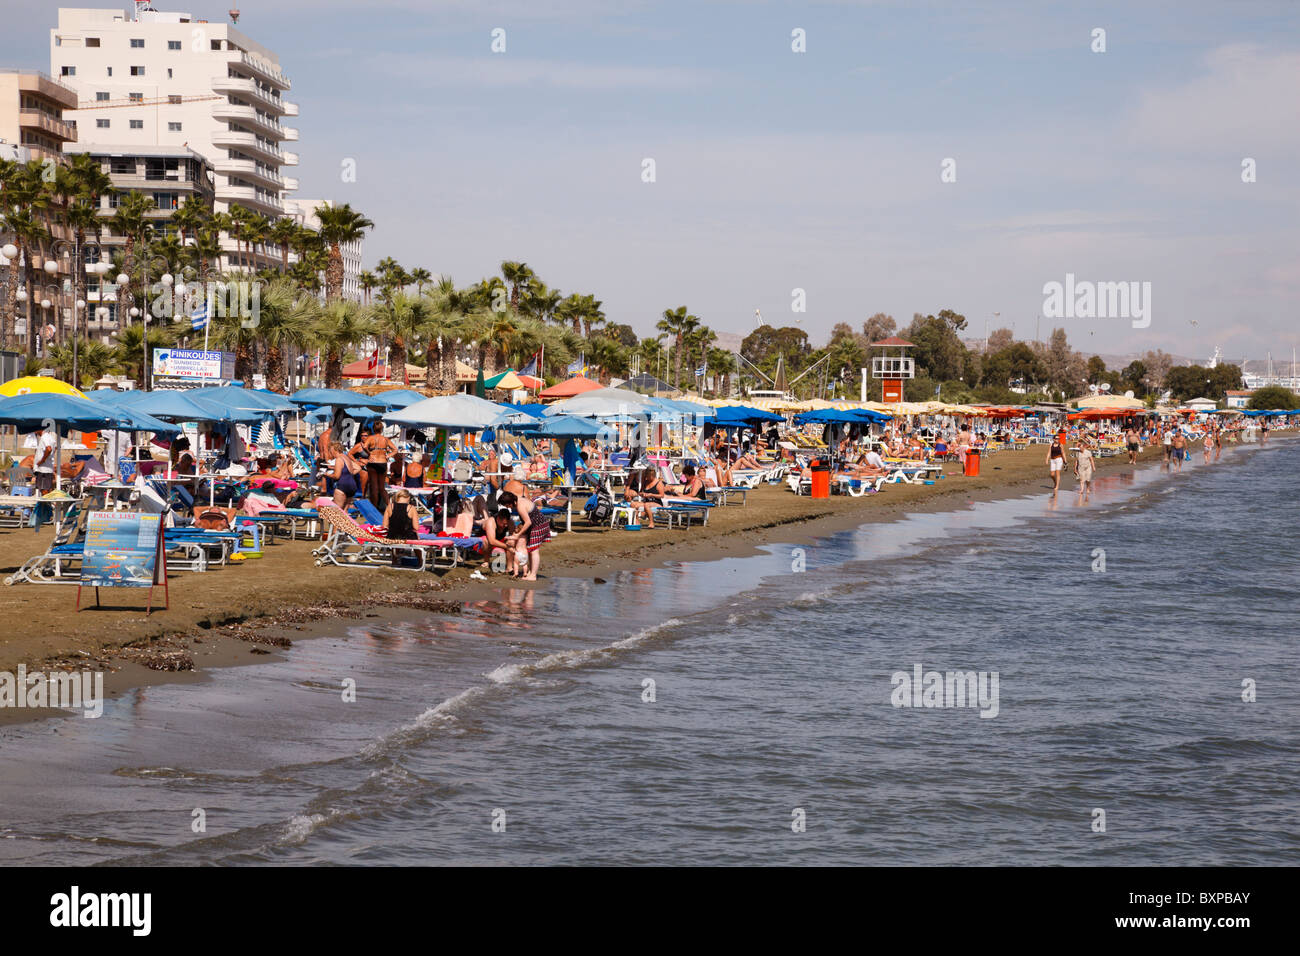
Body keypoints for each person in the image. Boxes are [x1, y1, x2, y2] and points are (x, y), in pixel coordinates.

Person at [497, 490, 548, 581]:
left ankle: (533, 575)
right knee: (531, 549)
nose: (508, 507)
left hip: (538, 525)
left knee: (534, 550)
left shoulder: (520, 506)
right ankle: (531, 572)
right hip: (538, 524)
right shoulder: (519, 499)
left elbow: (528, 522)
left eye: (508, 505)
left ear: (511, 502)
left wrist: (518, 535)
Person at [363, 423, 396, 510]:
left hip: (373, 462)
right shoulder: (385, 439)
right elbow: (395, 450)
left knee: (374, 487)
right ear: (382, 429)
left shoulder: (371, 438)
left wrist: (369, 453)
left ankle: (374, 508)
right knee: (382, 488)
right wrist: (388, 456)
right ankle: (390, 507)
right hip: (382, 462)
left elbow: (365, 446)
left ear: (373, 429)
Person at [331, 444, 363, 509]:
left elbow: (336, 476)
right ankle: (346, 519)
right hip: (352, 485)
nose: (330, 452)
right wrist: (349, 474)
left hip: (342, 485)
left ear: (334, 450)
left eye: (330, 450)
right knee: (345, 511)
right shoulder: (346, 458)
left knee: (337, 511)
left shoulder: (339, 459)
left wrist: (327, 474)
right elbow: (358, 468)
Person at [31, 425, 56, 494]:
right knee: (47, 489)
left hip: (43, 469)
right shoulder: (51, 437)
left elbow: (49, 449)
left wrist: (42, 460)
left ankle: (44, 504)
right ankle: (47, 503)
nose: (34, 432)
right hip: (47, 468)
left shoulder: (45, 437)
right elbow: (55, 448)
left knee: (43, 490)